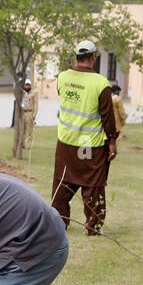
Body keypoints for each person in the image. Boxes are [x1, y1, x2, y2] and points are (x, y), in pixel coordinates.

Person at [51, 39, 118, 235]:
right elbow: (107, 116)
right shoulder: (101, 83)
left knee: (62, 182)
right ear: (94, 57)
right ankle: (93, 225)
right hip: (87, 145)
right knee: (92, 183)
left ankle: (58, 223)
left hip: (65, 143)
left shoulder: (62, 78)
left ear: (76, 57)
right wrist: (112, 141)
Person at [18, 79, 37, 150]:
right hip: (23, 113)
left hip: (29, 113)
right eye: (26, 85)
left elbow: (36, 105)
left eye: (28, 85)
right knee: (22, 130)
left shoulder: (33, 94)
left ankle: (29, 145)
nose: (27, 86)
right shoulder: (22, 94)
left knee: (29, 131)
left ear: (30, 85)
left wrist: (34, 115)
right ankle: (22, 144)